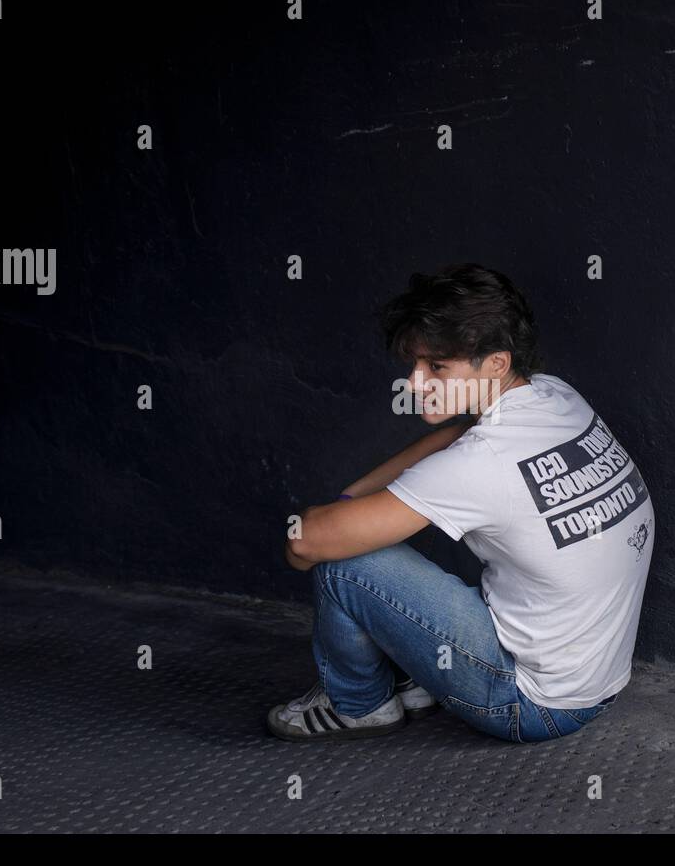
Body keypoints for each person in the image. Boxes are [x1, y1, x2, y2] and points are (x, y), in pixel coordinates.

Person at [270, 263, 655, 742]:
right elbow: (459, 434)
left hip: (529, 704)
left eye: (437, 367)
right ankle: (415, 673)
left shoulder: (480, 465)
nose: (414, 383)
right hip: (596, 680)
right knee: (371, 525)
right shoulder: (553, 396)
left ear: (494, 363)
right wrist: (353, 500)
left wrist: (340, 516)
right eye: (413, 365)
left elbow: (305, 542)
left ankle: (359, 704)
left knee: (344, 561)